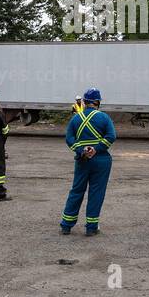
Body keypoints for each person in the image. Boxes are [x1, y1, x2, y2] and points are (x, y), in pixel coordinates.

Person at [61, 87, 116, 235]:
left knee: (77, 190)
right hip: (101, 160)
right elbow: (111, 136)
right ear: (97, 102)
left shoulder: (76, 118)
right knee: (96, 192)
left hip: (82, 160)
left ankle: (66, 224)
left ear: (84, 102)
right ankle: (91, 227)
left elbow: (69, 139)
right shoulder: (104, 118)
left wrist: (82, 150)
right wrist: (96, 149)